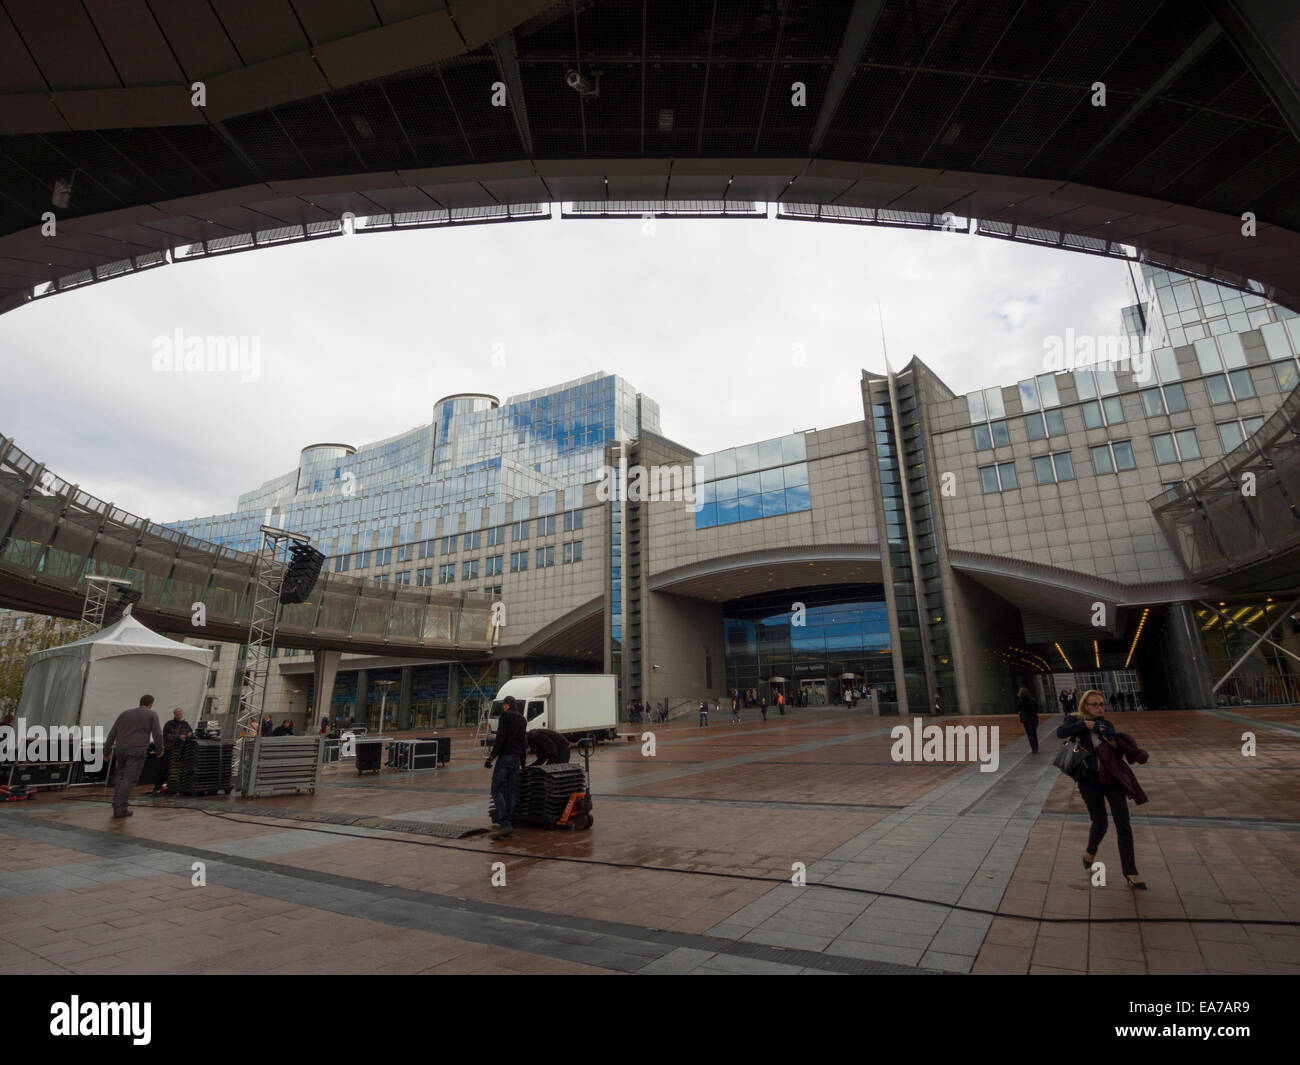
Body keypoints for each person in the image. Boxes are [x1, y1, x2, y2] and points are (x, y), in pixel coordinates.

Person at [1057, 689, 1147, 890]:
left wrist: (1114, 743)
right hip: (1089, 780)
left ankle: (1130, 871)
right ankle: (1090, 850)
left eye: (1101, 704)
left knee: (1123, 823)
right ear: (1085, 706)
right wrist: (1084, 725)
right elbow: (1060, 733)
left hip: (1112, 779)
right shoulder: (1074, 721)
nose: (1099, 708)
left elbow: (1115, 753)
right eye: (1094, 704)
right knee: (1100, 822)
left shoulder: (1107, 725)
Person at [105, 695, 164, 818]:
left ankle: (117, 803)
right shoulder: (152, 714)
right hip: (137, 750)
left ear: (140, 702)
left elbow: (112, 733)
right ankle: (120, 808)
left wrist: (106, 751)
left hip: (120, 750)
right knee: (129, 779)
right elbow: (157, 734)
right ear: (151, 704)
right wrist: (159, 749)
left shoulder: (124, 714)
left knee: (120, 777)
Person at [485, 695, 526, 840]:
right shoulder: (522, 719)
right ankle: (508, 822)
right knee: (511, 791)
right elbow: (523, 741)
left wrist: (491, 757)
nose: (503, 708)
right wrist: (523, 762)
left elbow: (500, 738)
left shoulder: (505, 716)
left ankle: (505, 823)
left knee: (496, 789)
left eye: (503, 706)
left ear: (506, 705)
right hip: (516, 759)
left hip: (505, 758)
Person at [153, 707, 193, 795]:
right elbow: (166, 736)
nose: (179, 714)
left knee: (176, 771)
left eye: (180, 713)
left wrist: (190, 734)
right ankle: (157, 788)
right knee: (164, 769)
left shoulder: (185, 724)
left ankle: (173, 788)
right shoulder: (169, 724)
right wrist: (178, 737)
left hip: (181, 751)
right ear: (174, 714)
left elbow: (190, 732)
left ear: (182, 713)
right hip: (169, 750)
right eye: (177, 713)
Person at [1016, 687, 1040, 754]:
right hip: (1034, 718)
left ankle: (1034, 749)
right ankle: (1036, 747)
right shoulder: (1033, 700)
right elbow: (1037, 708)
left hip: (1026, 719)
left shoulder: (1021, 701)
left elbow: (1018, 709)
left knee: (1030, 734)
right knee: (1034, 733)